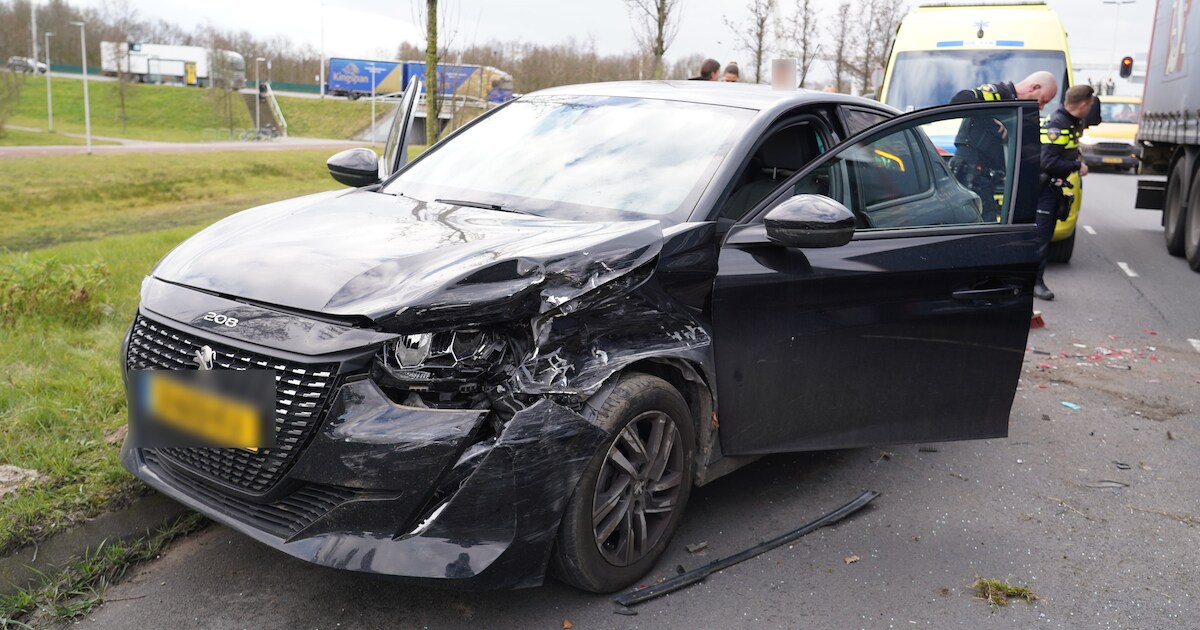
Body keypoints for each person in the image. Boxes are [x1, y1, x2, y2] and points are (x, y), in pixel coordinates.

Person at [947, 71, 1059, 223]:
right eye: (1043, 100)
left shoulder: (1023, 113)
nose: (1042, 107)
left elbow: (1030, 153)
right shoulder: (998, 94)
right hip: (969, 172)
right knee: (984, 227)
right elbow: (958, 100)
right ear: (1034, 87)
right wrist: (996, 116)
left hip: (989, 179)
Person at [1035, 84, 1096, 300]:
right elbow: (1048, 162)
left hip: (1053, 188)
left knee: (1045, 236)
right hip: (1044, 190)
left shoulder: (1070, 122)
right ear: (1083, 104)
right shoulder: (1058, 125)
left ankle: (1033, 281)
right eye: (1090, 105)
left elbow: (1065, 151)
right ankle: (1035, 283)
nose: (1090, 109)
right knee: (1040, 239)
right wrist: (1077, 167)